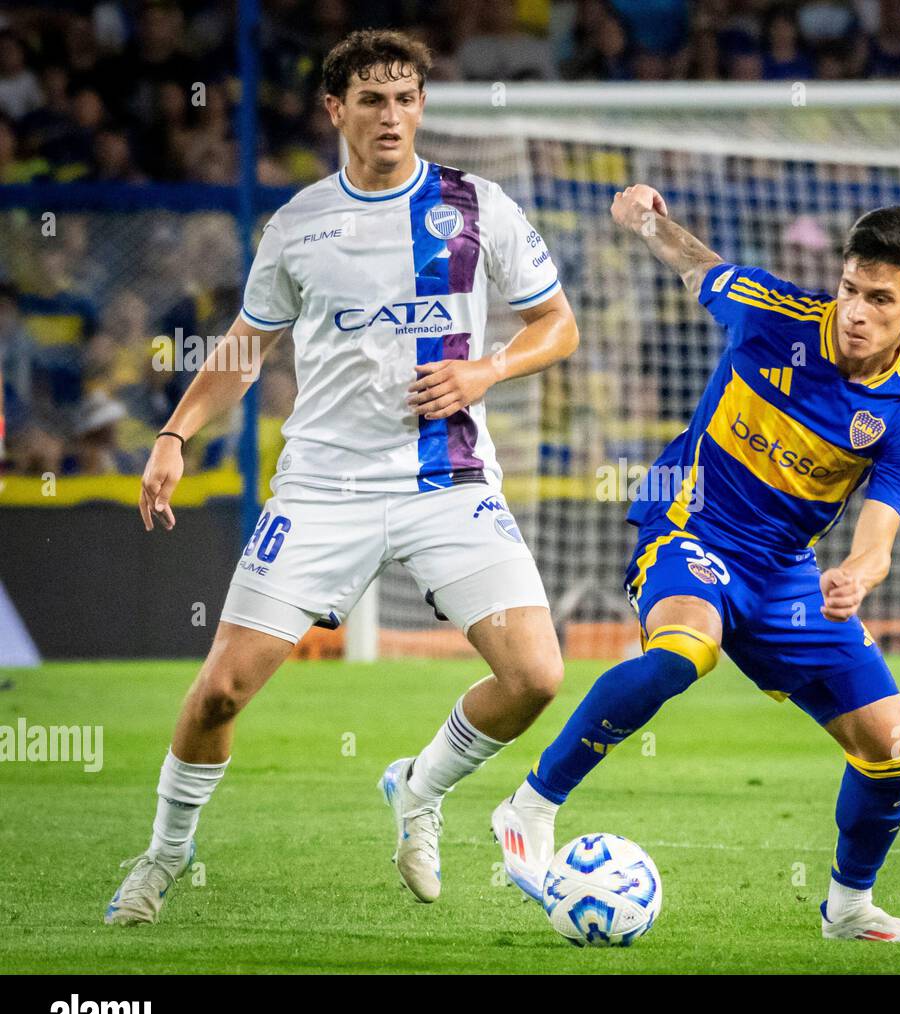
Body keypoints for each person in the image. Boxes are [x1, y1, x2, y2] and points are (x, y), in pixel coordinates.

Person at [104, 29, 580, 925]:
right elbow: (245, 348)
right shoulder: (298, 224)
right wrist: (174, 433)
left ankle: (420, 786)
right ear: (336, 110)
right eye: (372, 99)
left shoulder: (479, 207)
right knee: (219, 692)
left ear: (422, 108)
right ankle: (163, 857)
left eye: (406, 98)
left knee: (536, 677)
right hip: (323, 490)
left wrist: (486, 372)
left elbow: (557, 326)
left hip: (448, 482)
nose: (391, 115)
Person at [494, 185, 900, 943]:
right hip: (689, 528)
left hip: (784, 575)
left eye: (879, 299)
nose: (856, 312)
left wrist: (859, 575)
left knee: (892, 750)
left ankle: (848, 908)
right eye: (849, 288)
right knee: (684, 652)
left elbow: (879, 531)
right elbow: (697, 263)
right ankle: (533, 803)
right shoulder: (773, 314)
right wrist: (643, 218)